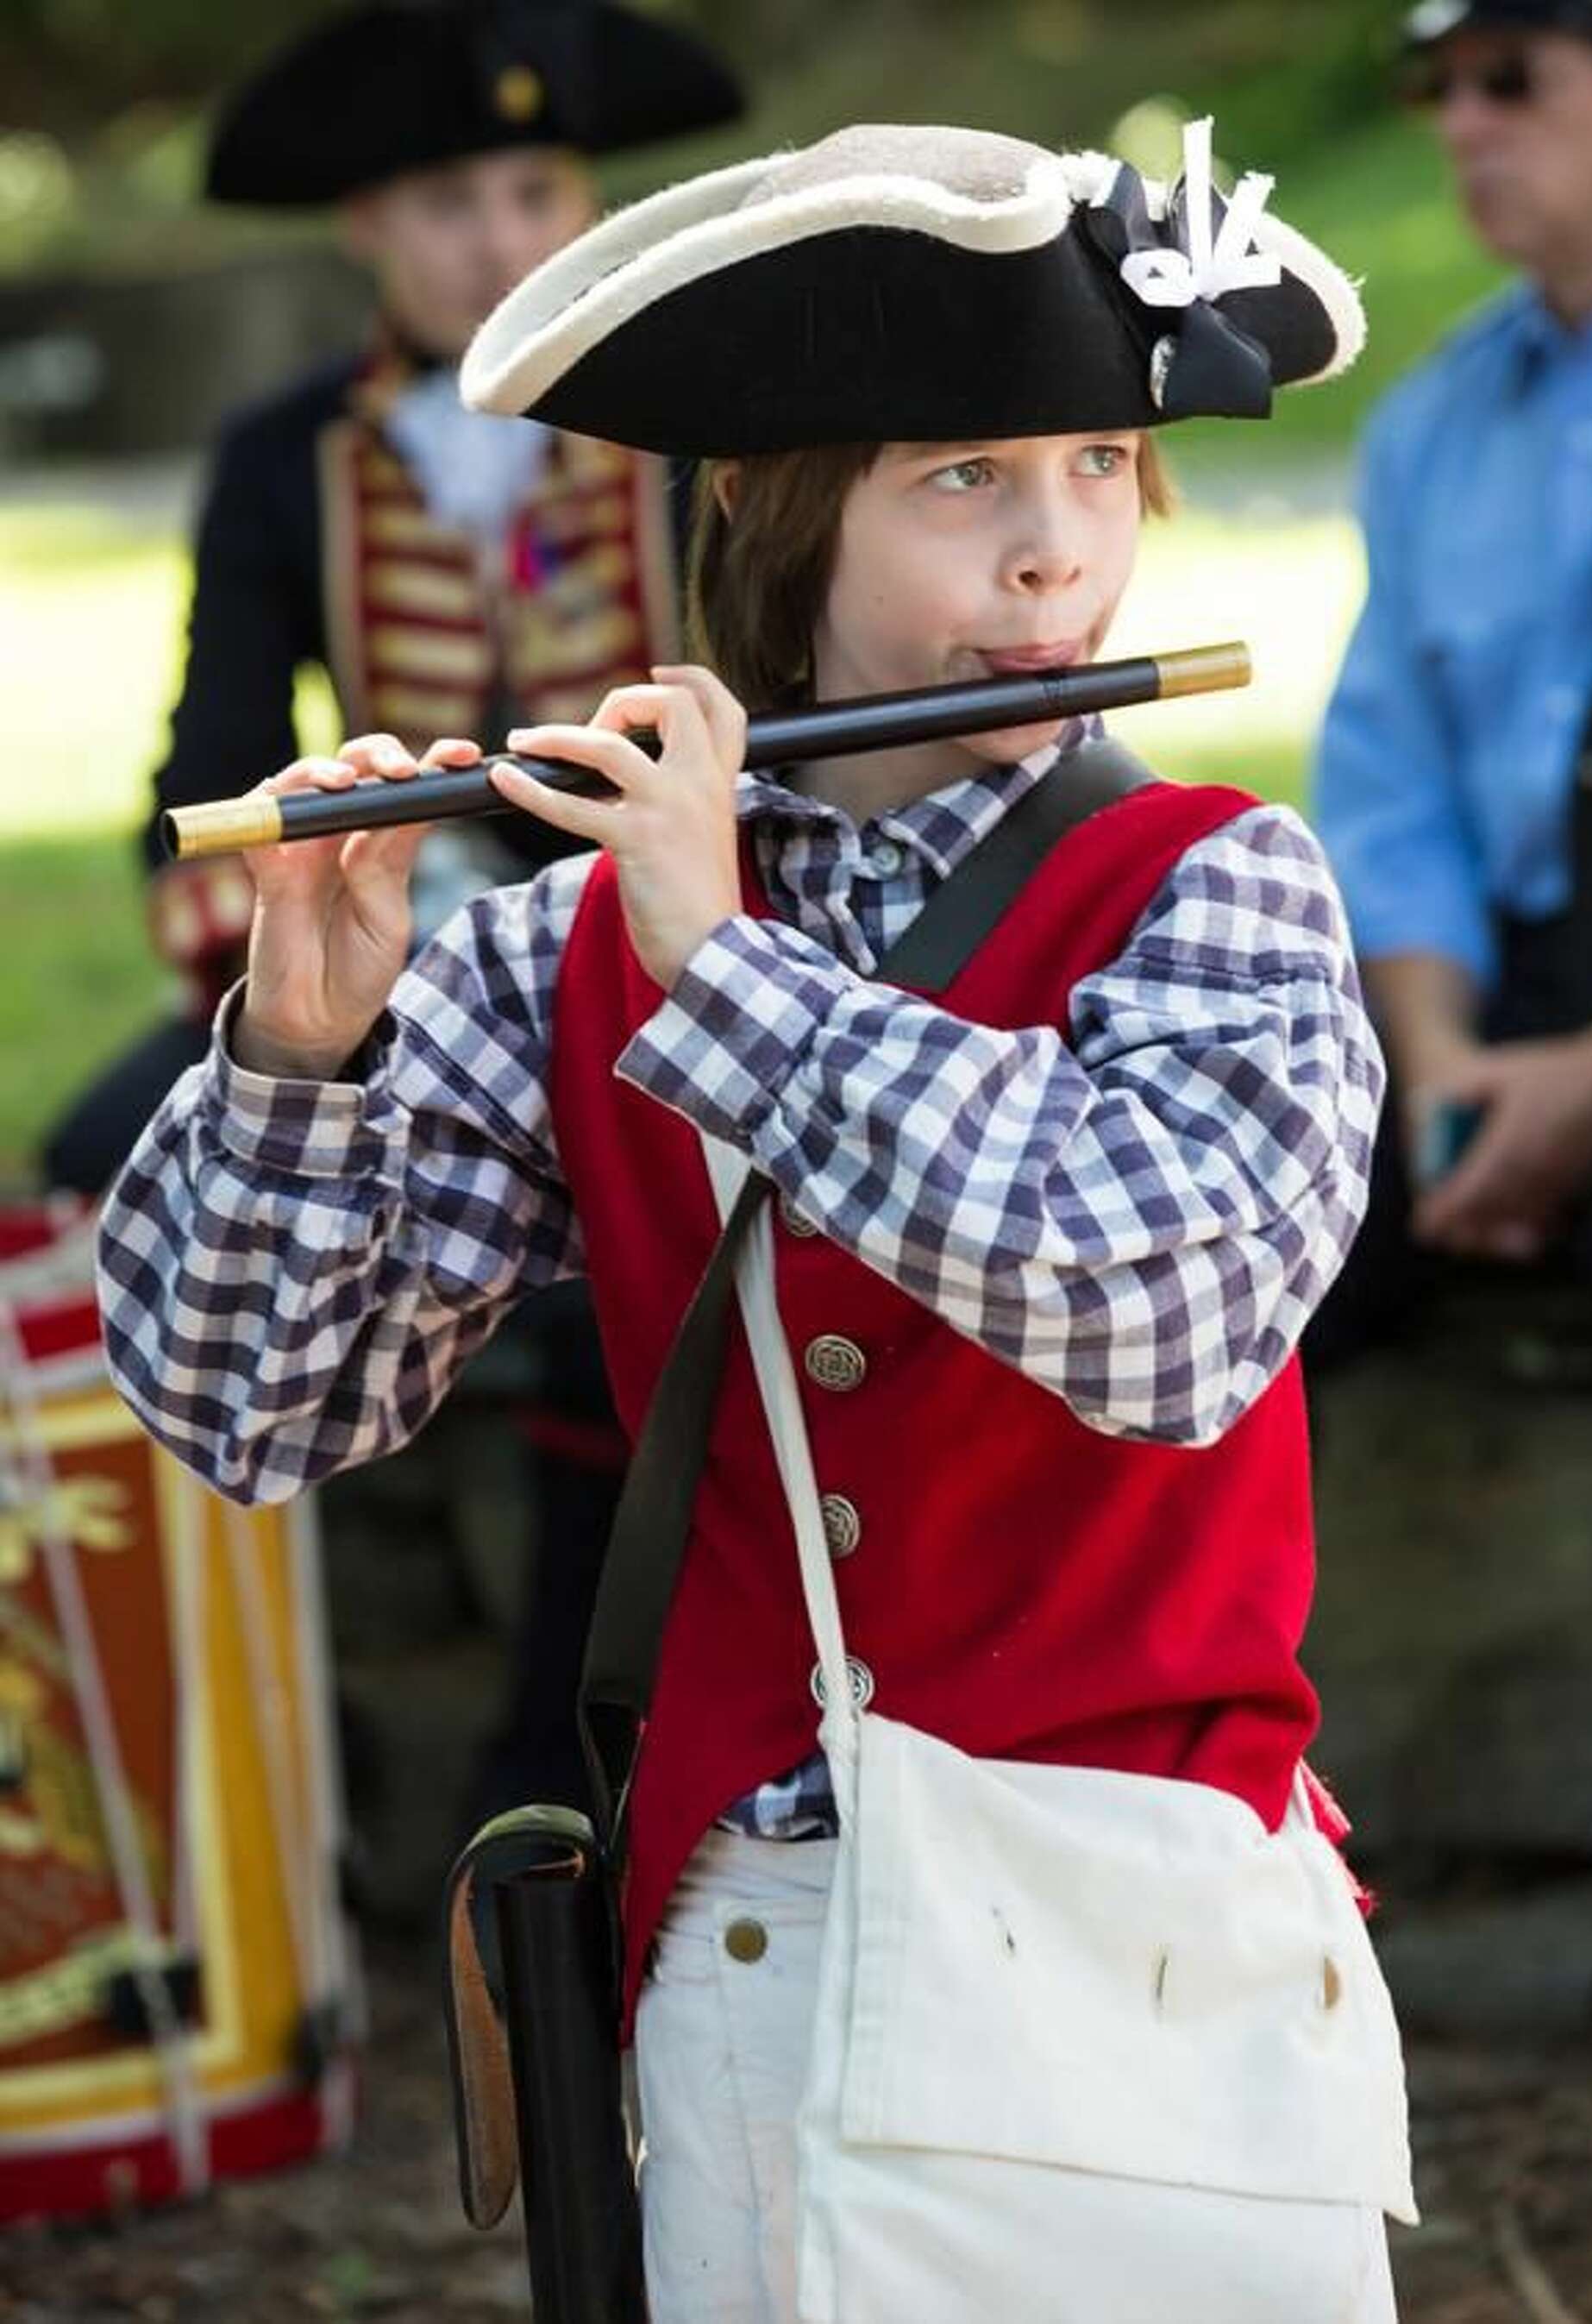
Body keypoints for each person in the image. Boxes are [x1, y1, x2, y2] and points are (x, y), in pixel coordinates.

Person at [98, 119, 1413, 2321]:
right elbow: (248, 1411)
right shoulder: (564, 944)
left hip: (1149, 1956)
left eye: (1099, 463)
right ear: (771, 510)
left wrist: (729, 972)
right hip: (755, 1958)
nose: (1053, 551)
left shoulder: (1219, 885)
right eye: (965, 478)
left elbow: (1175, 1309)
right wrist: (300, 1054)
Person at [45, 0, 742, 1838]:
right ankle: (217, 1757)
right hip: (390, 952)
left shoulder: (686, 427)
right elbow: (199, 765)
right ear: (367, 225)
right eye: (449, 199)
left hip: (640, 944)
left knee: (642, 1208)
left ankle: (564, 1746)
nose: (504, 239)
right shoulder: (286, 455)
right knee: (105, 1155)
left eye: (537, 187)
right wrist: (271, 935)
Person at [1310, 0, 1592, 1452]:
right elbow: (1390, 785)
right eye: (1438, 88)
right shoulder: (1434, 423)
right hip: (1498, 990)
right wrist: (1438, 1060)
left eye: (1513, 79)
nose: (1463, 124)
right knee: (1249, 1209)